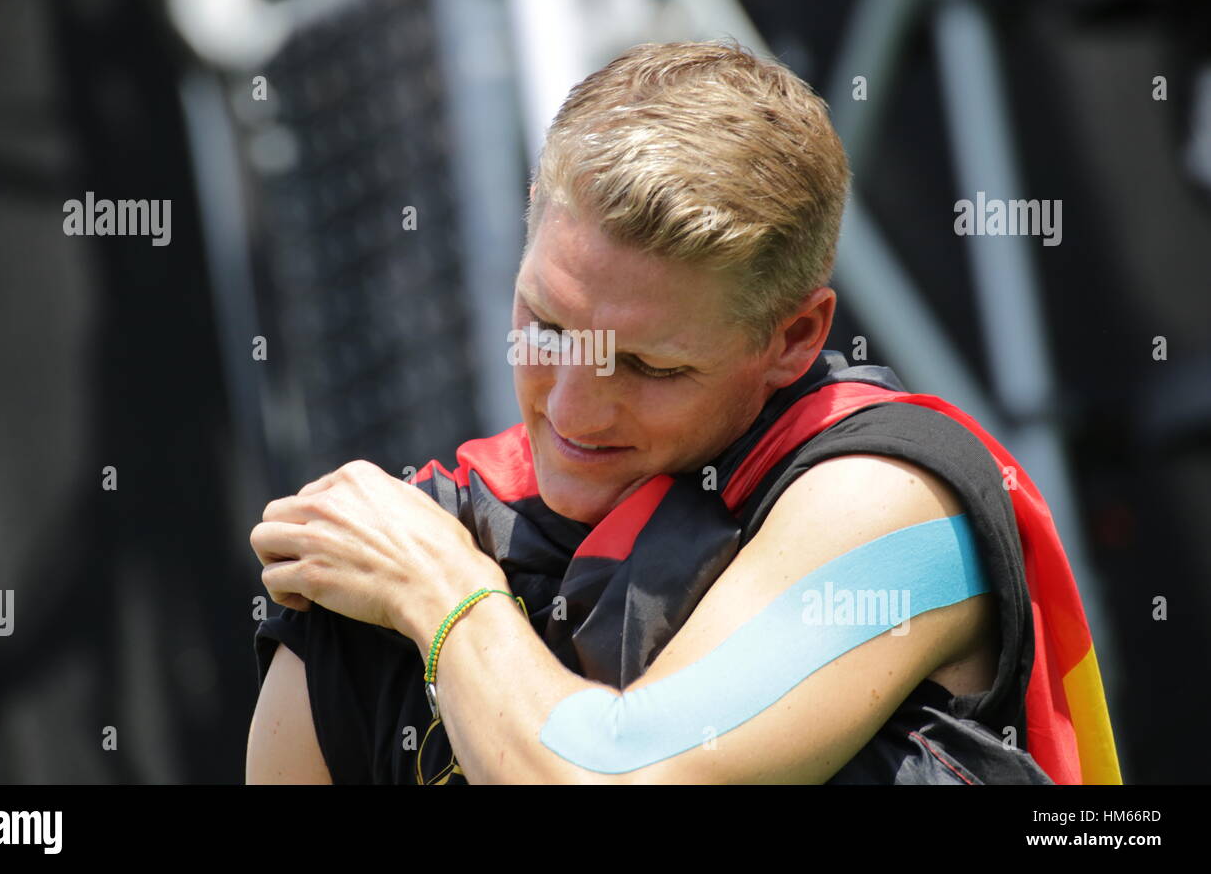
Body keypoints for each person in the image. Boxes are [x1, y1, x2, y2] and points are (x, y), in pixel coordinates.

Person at [245, 40, 1120, 784]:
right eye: (546, 327)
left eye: (653, 366)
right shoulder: (373, 592)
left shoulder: (886, 500)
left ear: (796, 336)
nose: (576, 405)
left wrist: (443, 596)